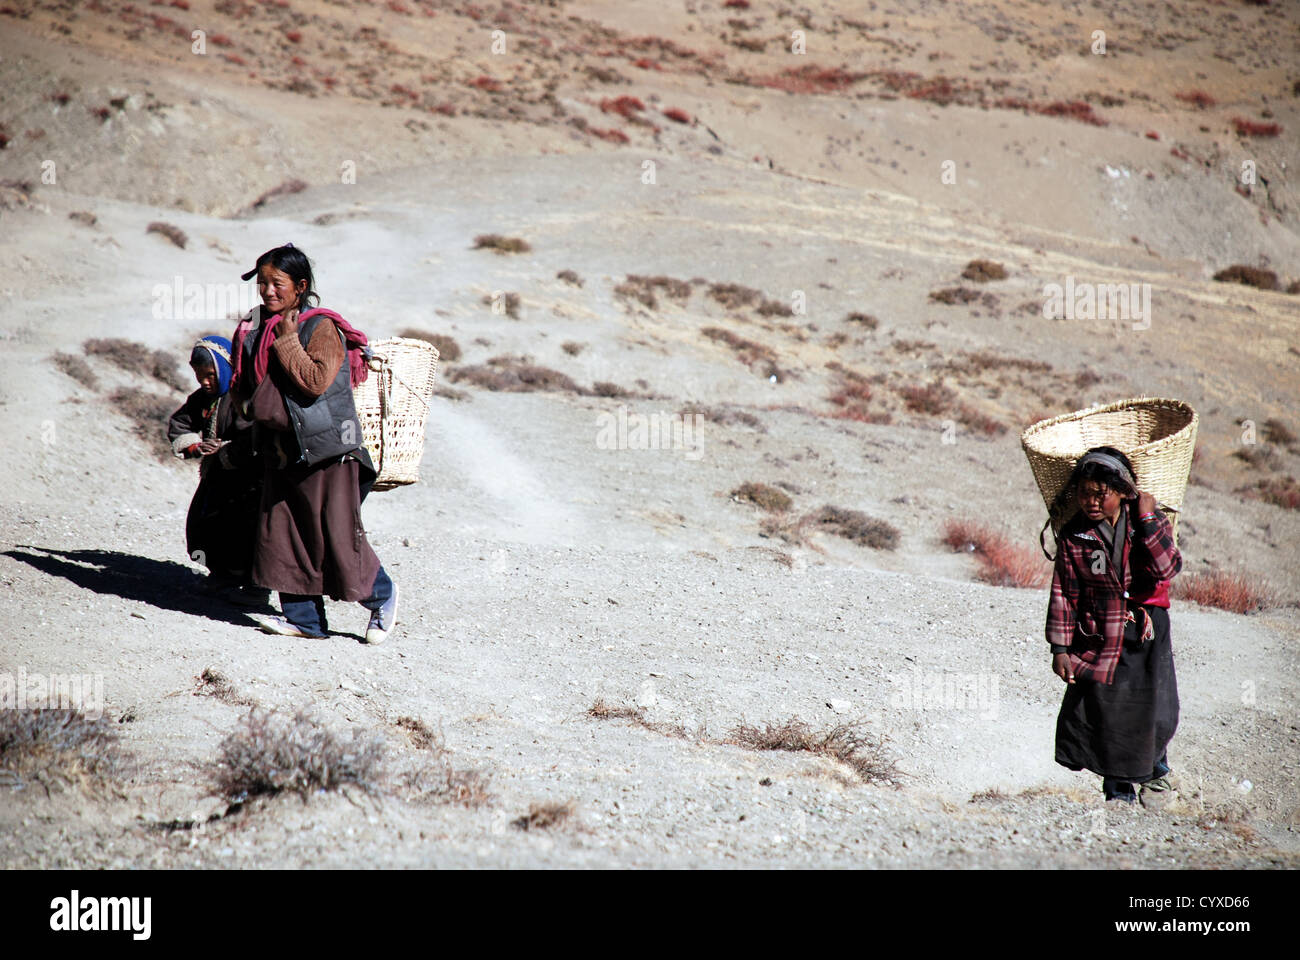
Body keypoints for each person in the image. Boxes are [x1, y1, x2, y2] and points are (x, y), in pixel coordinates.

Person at [230, 244, 398, 643]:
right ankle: (305, 621)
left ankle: (383, 597)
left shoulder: (320, 327)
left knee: (337, 536)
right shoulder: (252, 330)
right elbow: (242, 388)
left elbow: (315, 381)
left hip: (329, 450)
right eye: (263, 283)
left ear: (300, 286)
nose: (268, 291)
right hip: (281, 450)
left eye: (278, 283)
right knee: (281, 535)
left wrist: (287, 340)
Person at [1045, 446, 1182, 807]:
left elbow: (1167, 568)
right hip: (1100, 633)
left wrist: (1149, 518)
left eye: (1100, 494)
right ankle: (1118, 790)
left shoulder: (1147, 524)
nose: (1090, 501)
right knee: (1106, 709)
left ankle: (1156, 775)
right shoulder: (1076, 536)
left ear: (1124, 492)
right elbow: (1064, 593)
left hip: (1146, 634)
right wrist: (1060, 648)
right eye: (1084, 493)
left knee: (1150, 704)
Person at [167, 335, 267, 606]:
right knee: (205, 524)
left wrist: (226, 448)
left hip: (250, 481)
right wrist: (196, 447)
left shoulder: (246, 397)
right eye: (200, 377)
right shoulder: (202, 399)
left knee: (249, 531)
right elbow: (179, 424)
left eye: (210, 375)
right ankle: (222, 576)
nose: (205, 382)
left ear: (225, 368)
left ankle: (256, 589)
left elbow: (259, 436)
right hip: (217, 478)